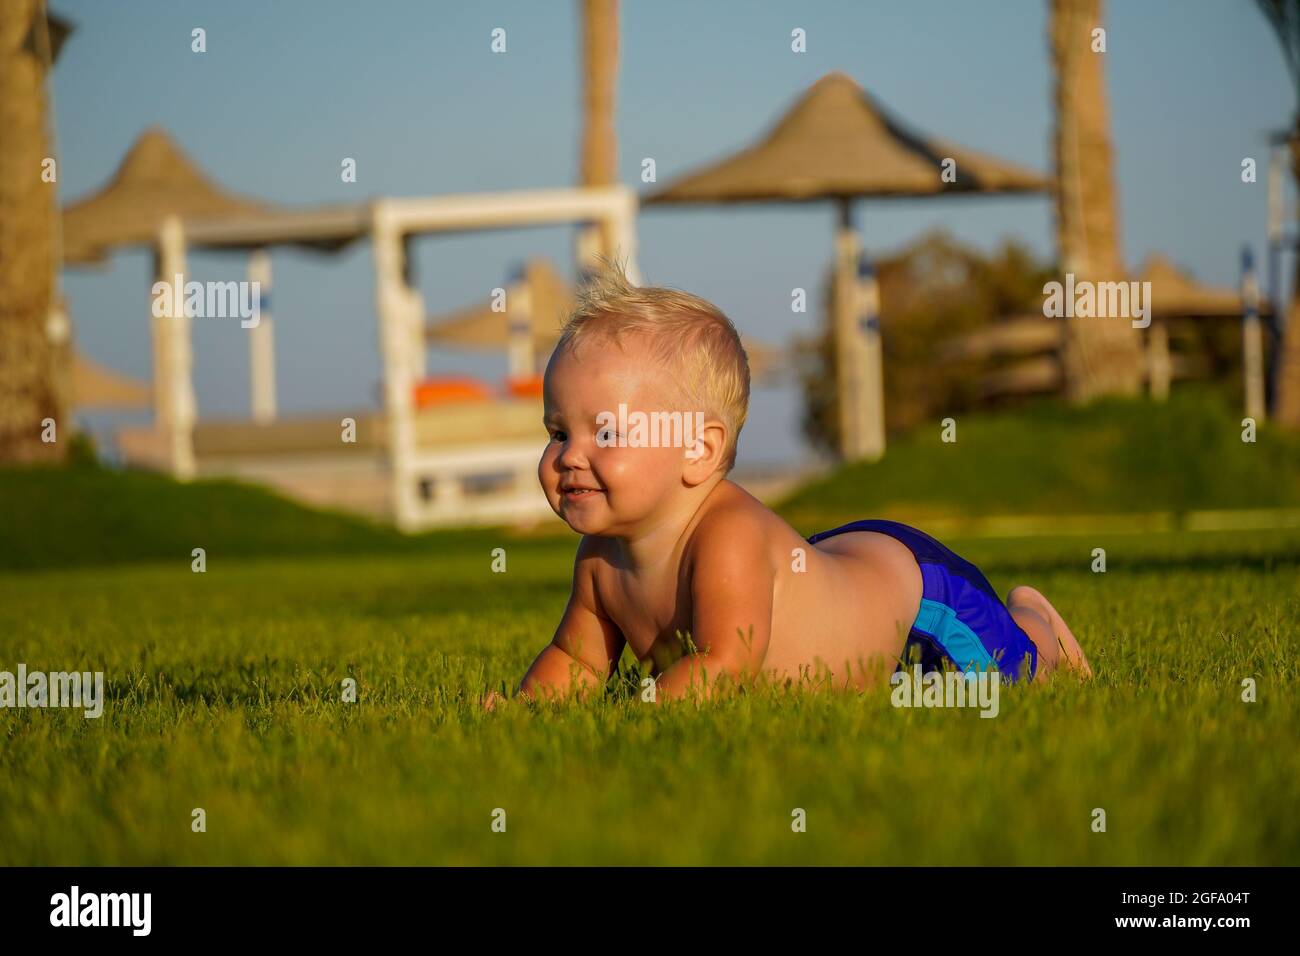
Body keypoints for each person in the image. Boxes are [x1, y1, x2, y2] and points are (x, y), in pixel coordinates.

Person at [483, 262, 1090, 709]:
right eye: (558, 432)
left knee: (1007, 678)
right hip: (829, 558)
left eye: (606, 434)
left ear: (699, 449)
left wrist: (641, 715)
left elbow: (725, 665)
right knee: (918, 695)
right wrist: (527, 712)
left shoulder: (726, 538)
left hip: (916, 593)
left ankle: (1038, 626)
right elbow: (577, 661)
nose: (569, 458)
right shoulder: (599, 560)